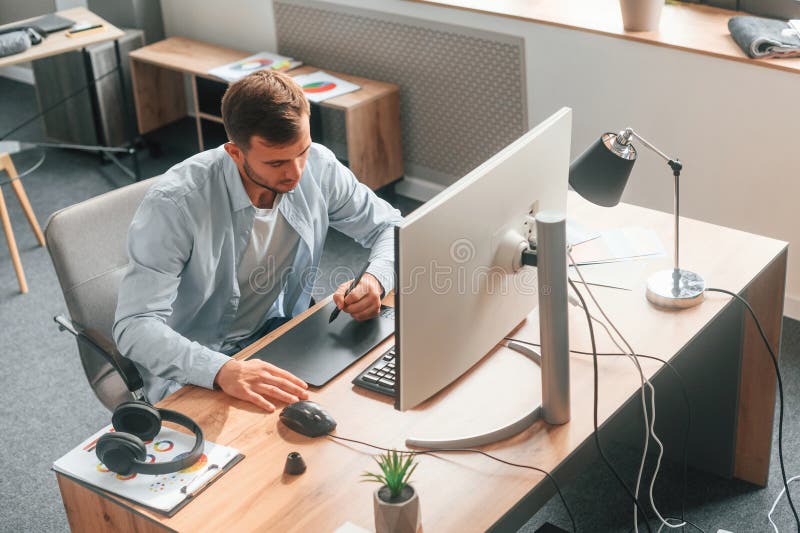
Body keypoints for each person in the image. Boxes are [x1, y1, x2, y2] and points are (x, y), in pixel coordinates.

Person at [113, 70, 403, 411]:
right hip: (201, 361)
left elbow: (393, 227)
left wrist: (375, 280)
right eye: (277, 161)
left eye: (302, 152)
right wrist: (221, 370)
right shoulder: (175, 205)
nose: (295, 172)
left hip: (284, 335)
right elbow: (134, 327)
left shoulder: (318, 167)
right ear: (235, 153)